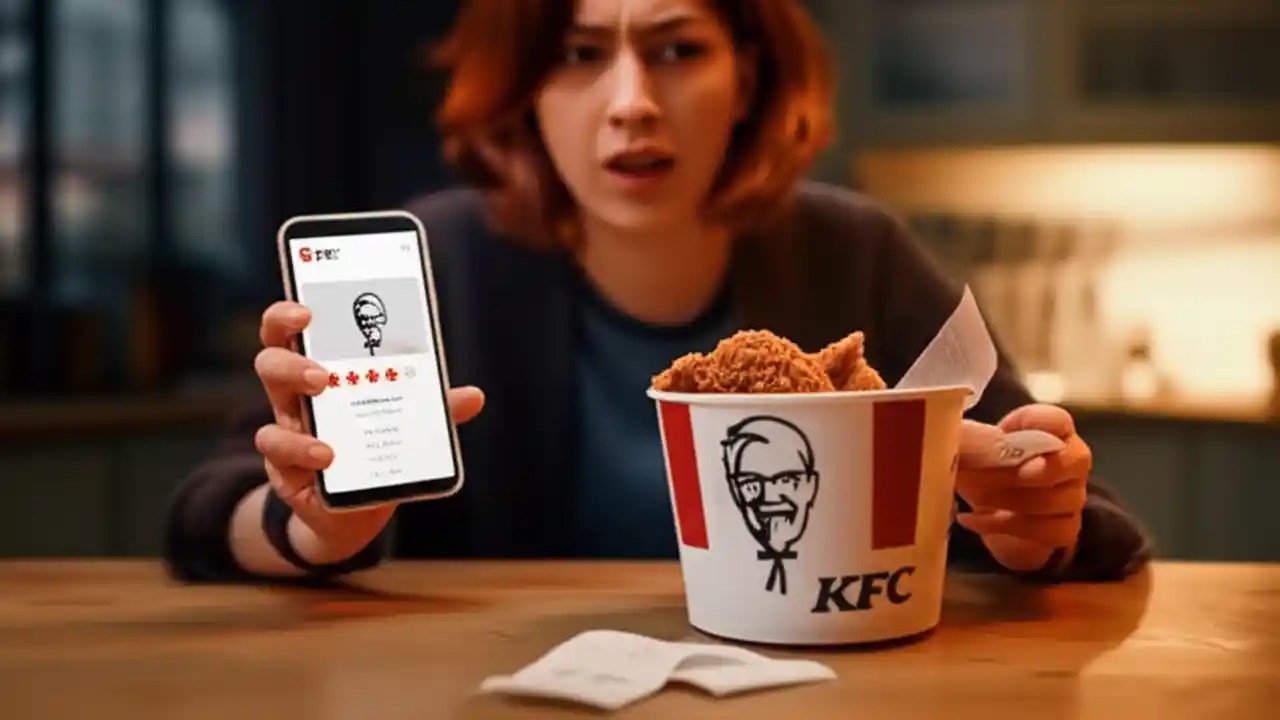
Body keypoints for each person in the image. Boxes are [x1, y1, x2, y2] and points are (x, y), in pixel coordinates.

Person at [165, 0, 1151, 584]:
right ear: (522, 89)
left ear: (748, 76)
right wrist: (312, 527)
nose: (631, 102)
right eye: (579, 54)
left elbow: (1075, 513)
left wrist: (1030, 524)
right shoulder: (438, 258)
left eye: (677, 50)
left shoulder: (854, 251)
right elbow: (207, 513)